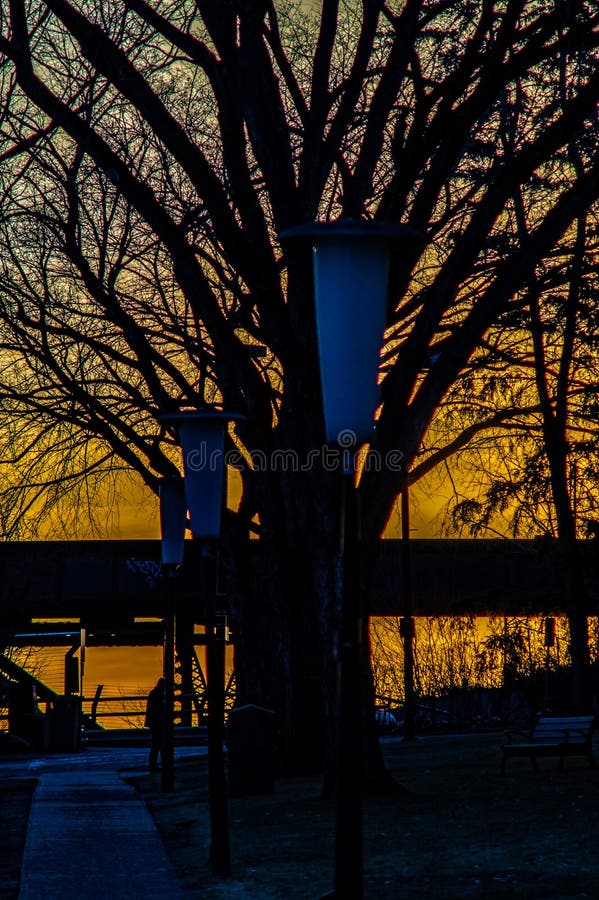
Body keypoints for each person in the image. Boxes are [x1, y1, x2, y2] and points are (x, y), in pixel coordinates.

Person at [145, 676, 165, 773]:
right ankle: (154, 765)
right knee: (158, 745)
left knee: (157, 745)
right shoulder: (158, 695)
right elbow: (158, 710)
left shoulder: (154, 694)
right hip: (157, 723)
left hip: (155, 723)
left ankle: (154, 765)